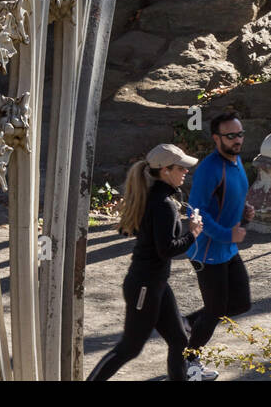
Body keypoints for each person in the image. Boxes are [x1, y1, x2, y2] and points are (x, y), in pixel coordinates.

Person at [86, 143, 203, 382]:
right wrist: (193, 233)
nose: (185, 172)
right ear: (166, 170)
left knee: (180, 339)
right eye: (181, 168)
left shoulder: (161, 197)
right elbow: (167, 250)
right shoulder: (163, 205)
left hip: (156, 283)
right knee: (130, 348)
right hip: (145, 287)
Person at [184, 108, 254, 381]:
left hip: (226, 249)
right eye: (230, 136)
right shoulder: (209, 169)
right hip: (208, 251)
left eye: (240, 134)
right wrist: (228, 234)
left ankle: (186, 323)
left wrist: (244, 210)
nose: (237, 140)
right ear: (217, 138)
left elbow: (229, 197)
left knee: (240, 303)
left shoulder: (236, 163)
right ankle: (188, 364)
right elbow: (195, 213)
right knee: (215, 311)